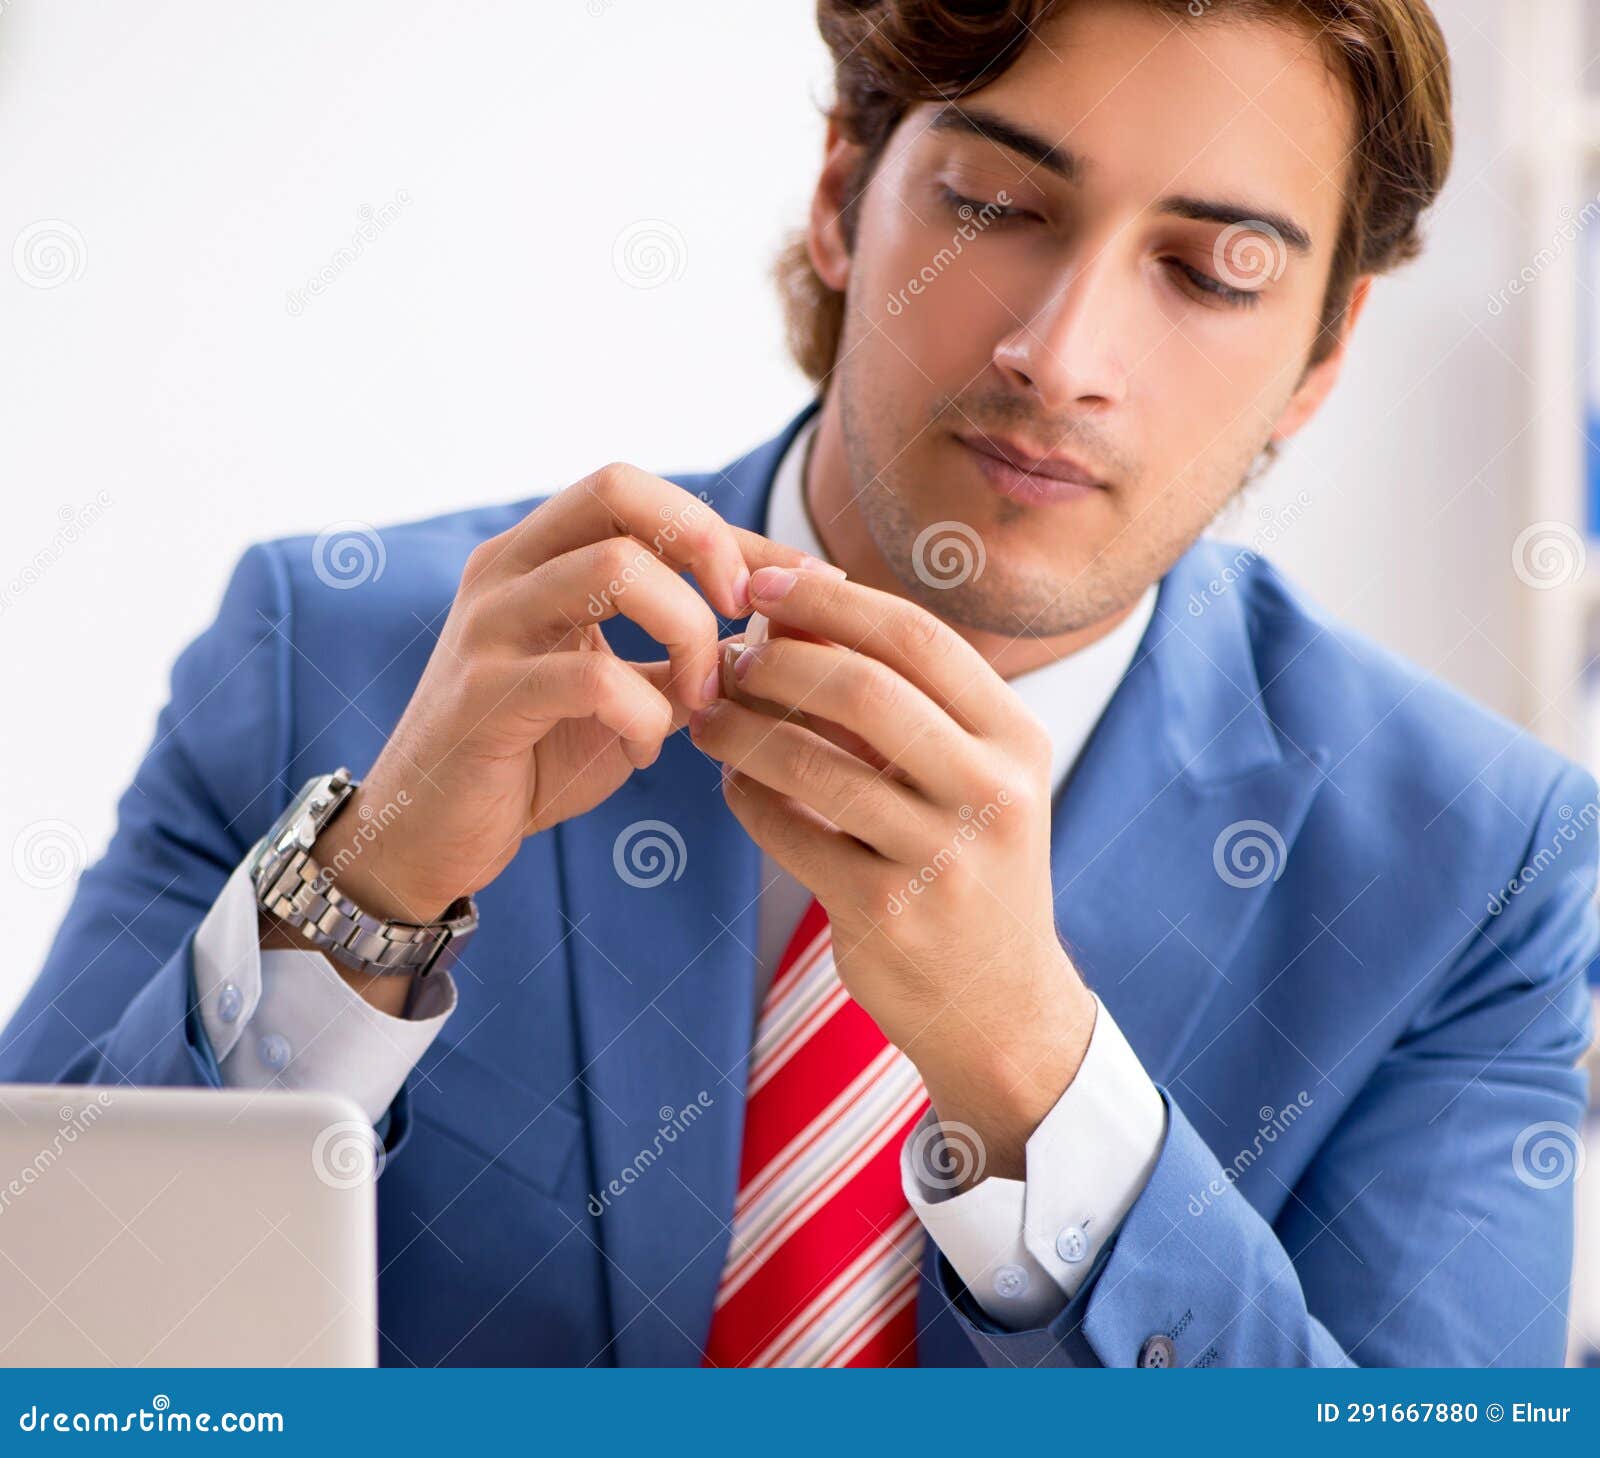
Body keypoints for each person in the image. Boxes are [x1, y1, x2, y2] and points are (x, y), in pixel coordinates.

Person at [4, 0, 1594, 1367]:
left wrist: (1038, 1070)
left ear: (1322, 353)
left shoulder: (1482, 865)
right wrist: (360, 905)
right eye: (993, 204)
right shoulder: (330, 655)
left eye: (1213, 269)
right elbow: (44, 1342)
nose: (1064, 349)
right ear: (845, 193)